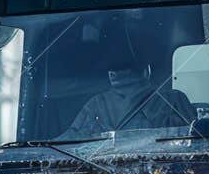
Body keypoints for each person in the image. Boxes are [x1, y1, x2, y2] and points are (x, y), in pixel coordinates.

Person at [61, 19, 195, 139]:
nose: (120, 78)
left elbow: (198, 140)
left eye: (128, 72)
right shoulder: (97, 106)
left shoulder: (174, 101)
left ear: (145, 71)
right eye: (116, 70)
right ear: (146, 71)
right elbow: (67, 143)